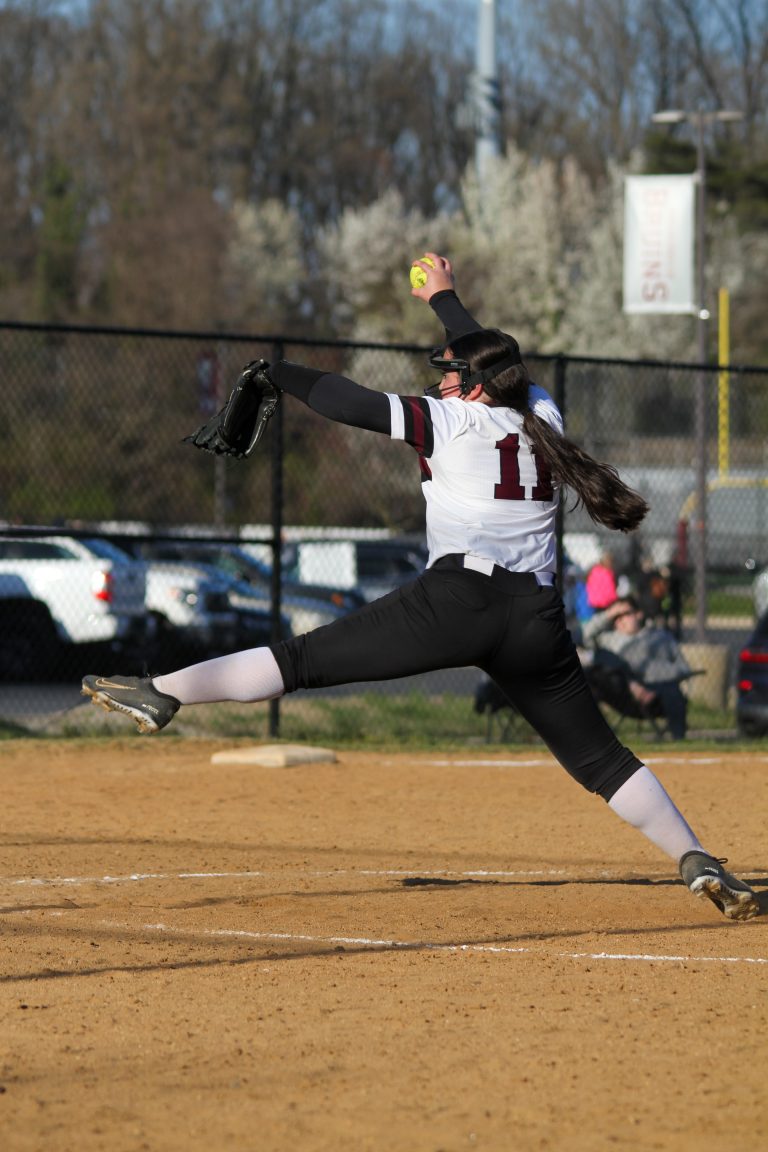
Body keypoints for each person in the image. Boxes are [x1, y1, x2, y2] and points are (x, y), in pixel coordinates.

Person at [81, 252, 758, 922]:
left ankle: (165, 691)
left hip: (457, 601)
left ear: (475, 385)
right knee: (600, 759)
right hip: (535, 618)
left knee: (305, 662)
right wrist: (445, 296)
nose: (443, 380)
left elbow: (351, 402)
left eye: (453, 373)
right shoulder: (543, 414)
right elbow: (485, 355)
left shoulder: (452, 421)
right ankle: (695, 856)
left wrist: (277, 375)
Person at [582, 596, 693, 739]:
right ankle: (600, 738)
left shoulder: (661, 637)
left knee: (672, 690)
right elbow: (585, 635)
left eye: (625, 614)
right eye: (616, 617)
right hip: (623, 693)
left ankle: (678, 739)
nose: (620, 620)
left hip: (657, 696)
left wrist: (655, 681)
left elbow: (683, 668)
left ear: (638, 614)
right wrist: (609, 613)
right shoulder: (609, 639)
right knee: (601, 660)